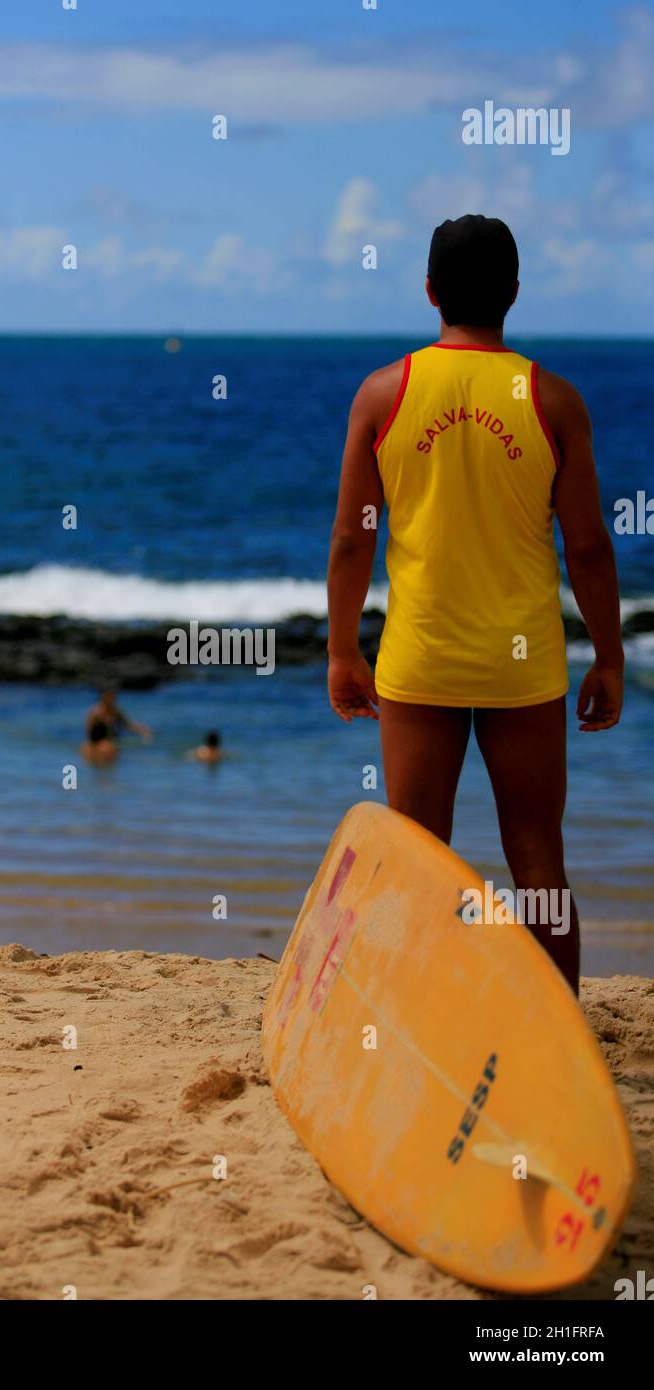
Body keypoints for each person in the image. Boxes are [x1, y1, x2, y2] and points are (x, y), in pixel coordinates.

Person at [326, 214, 623, 994]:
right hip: (520, 665)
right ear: (515, 296)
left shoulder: (383, 395)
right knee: (537, 856)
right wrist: (609, 656)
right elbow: (589, 547)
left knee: (419, 856)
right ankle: (558, 1029)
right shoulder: (552, 400)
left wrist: (341, 650)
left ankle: (417, 1018)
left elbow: (355, 539)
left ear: (430, 292)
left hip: (420, 658)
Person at [84, 687, 152, 745]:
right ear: (103, 697)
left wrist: (143, 730)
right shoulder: (95, 713)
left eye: (114, 696)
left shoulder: (115, 711)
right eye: (110, 696)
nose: (113, 699)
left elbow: (128, 725)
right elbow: (89, 732)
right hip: (100, 743)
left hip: (113, 741)